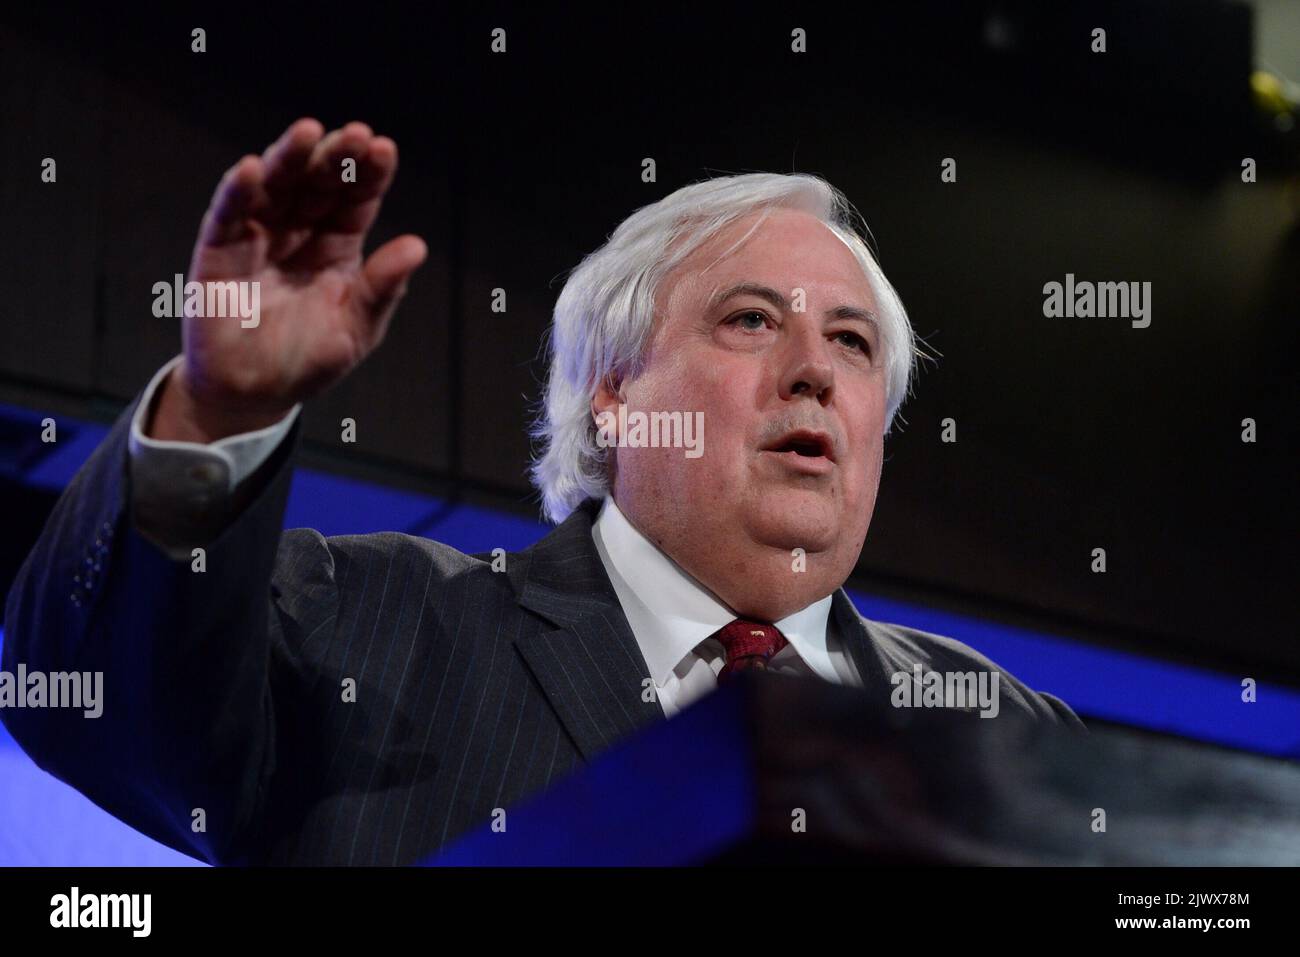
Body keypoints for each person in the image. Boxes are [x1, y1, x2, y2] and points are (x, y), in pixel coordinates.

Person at [2, 118, 1083, 866]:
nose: (814, 369)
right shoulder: (367, 622)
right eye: (751, 320)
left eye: (850, 342)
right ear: (613, 394)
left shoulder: (996, 724)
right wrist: (215, 414)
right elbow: (98, 701)